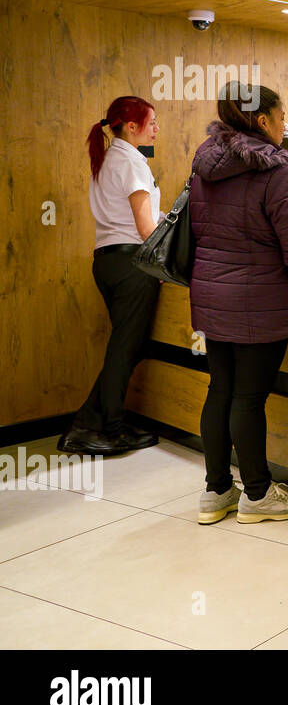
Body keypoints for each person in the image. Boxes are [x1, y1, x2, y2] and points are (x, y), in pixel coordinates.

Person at [188, 82, 288, 525]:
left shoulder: (204, 165)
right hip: (260, 301)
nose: (286, 126)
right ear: (262, 120)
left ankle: (217, 491)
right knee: (249, 398)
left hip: (211, 296)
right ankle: (259, 494)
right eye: (282, 117)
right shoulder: (276, 172)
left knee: (220, 391)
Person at [59, 97, 165, 455]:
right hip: (132, 264)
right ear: (131, 127)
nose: (156, 129)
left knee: (126, 347)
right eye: (151, 123)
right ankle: (105, 428)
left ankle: (93, 423)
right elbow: (145, 226)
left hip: (107, 261)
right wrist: (168, 263)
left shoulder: (107, 159)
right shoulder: (132, 161)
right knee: (126, 348)